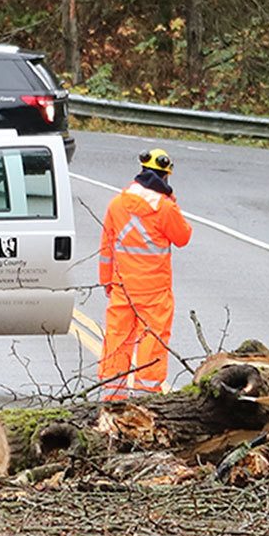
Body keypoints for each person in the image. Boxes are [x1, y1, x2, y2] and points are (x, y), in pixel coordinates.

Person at [97, 148, 192, 400]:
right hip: (154, 290)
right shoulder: (165, 208)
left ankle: (112, 396)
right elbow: (183, 237)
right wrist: (172, 201)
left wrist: (106, 281)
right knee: (152, 341)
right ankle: (146, 395)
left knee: (118, 338)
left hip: (123, 287)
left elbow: (107, 247)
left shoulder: (117, 204)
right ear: (165, 177)